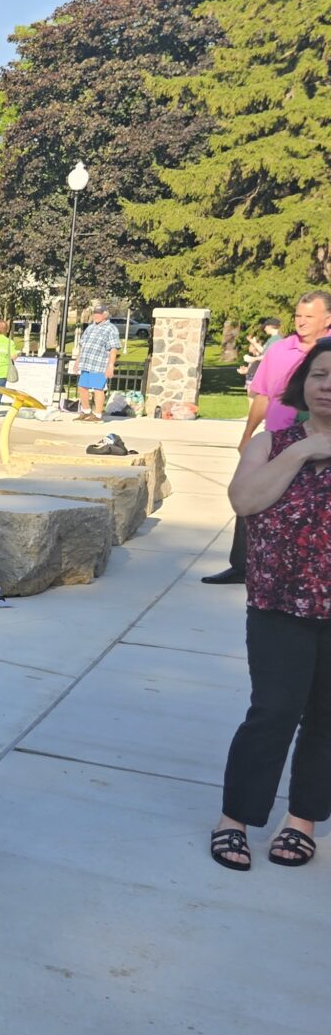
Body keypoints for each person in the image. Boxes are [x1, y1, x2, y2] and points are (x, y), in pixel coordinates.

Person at [211, 339, 331, 871]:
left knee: (327, 717)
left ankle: (302, 821)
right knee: (273, 711)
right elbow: (244, 501)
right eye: (320, 375)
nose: (327, 386)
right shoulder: (272, 442)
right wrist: (305, 450)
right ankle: (234, 819)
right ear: (303, 383)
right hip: (281, 602)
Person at [205, 292, 329, 585]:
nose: (301, 322)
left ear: (327, 319)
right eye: (298, 315)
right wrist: (248, 435)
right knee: (254, 498)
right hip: (278, 437)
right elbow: (263, 395)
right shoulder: (279, 350)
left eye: (309, 317)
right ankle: (242, 566)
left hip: (322, 438)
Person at [73, 307, 121, 421]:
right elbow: (83, 345)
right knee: (82, 387)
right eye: (94, 313)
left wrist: (111, 366)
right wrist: (77, 361)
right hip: (86, 363)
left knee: (98, 388)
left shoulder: (111, 329)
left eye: (99, 313)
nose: (96, 315)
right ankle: (86, 411)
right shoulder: (90, 327)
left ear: (105, 315)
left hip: (100, 364)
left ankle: (98, 414)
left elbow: (113, 349)